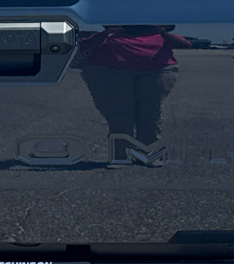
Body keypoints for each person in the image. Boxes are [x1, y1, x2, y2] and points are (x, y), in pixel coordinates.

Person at [75, 25, 187, 165]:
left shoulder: (158, 33)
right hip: (112, 72)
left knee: (150, 114)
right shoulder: (109, 34)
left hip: (157, 71)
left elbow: (184, 43)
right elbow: (85, 45)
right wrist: (108, 32)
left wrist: (160, 31)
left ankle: (147, 153)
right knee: (121, 116)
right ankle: (119, 155)